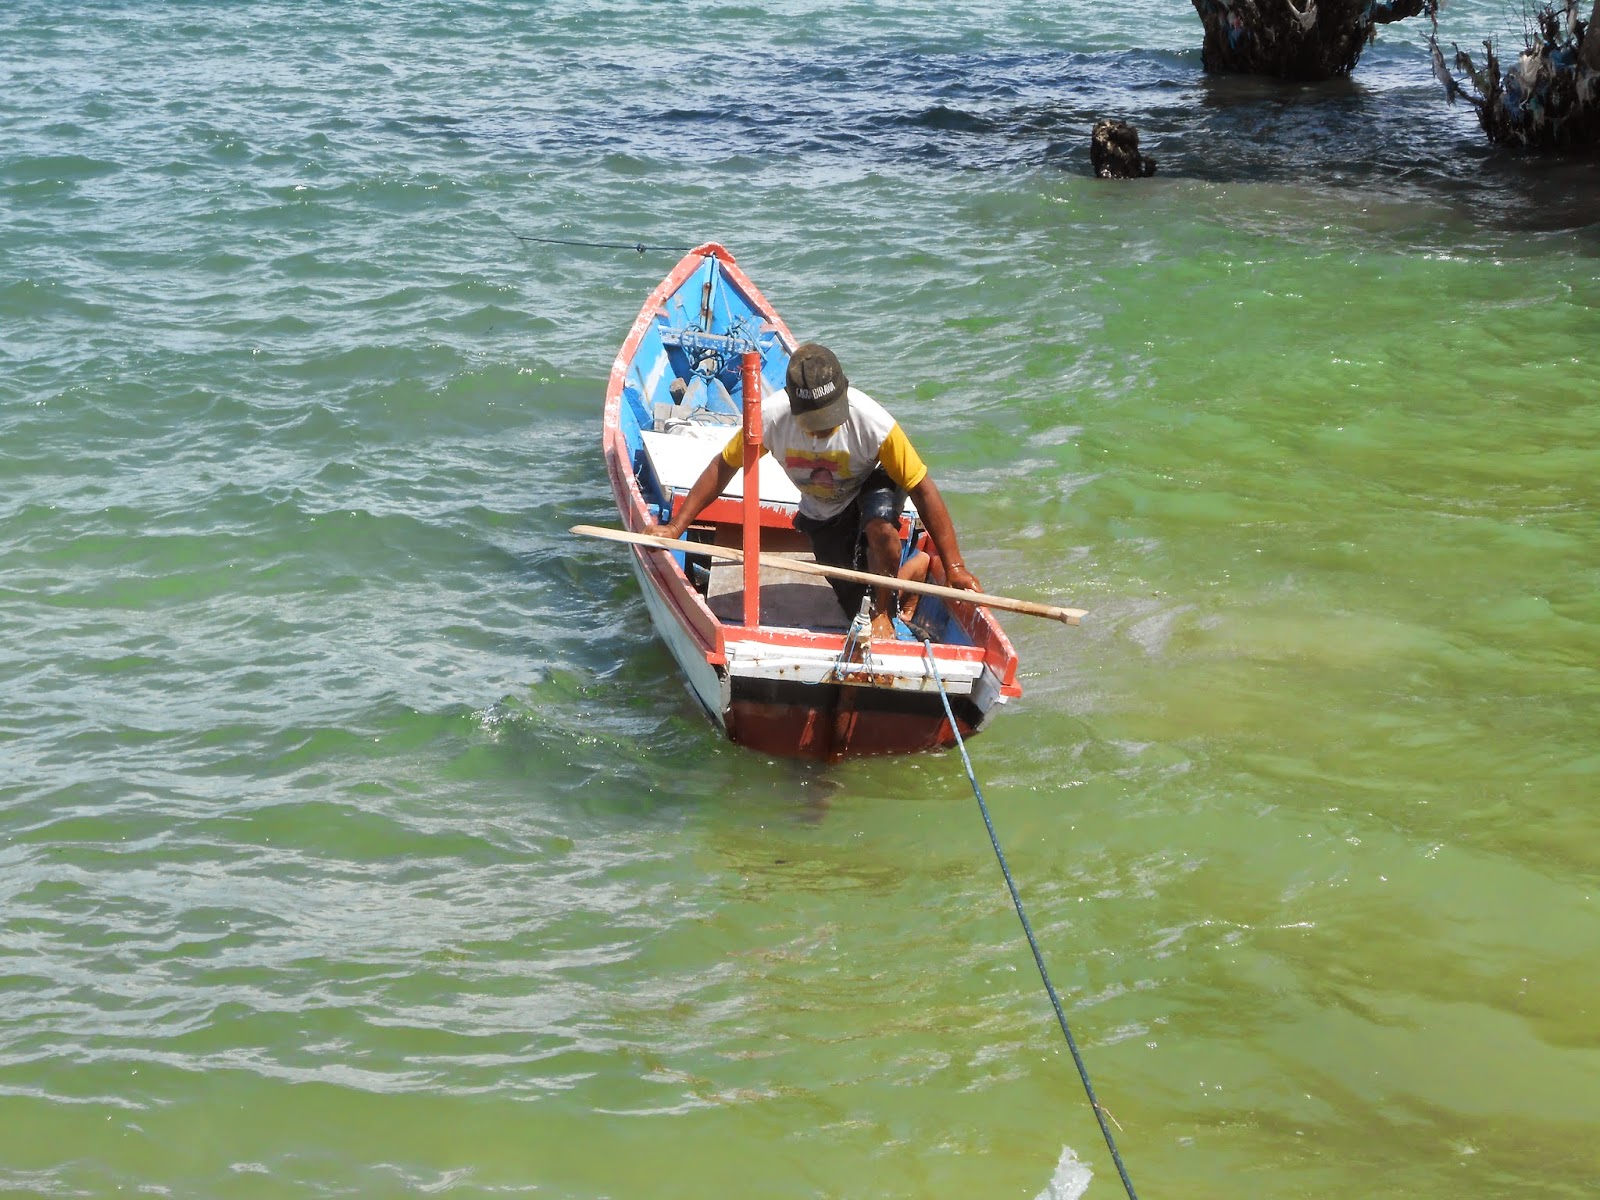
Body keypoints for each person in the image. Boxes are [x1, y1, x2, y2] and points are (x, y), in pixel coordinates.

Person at [653, 342, 981, 640]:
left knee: (880, 528)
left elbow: (923, 489)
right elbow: (722, 467)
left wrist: (954, 567)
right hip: (824, 509)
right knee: (852, 600)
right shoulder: (770, 419)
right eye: (815, 420)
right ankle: (913, 572)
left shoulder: (874, 424)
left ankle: (885, 612)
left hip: (871, 482)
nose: (824, 427)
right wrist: (676, 526)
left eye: (831, 417)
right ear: (794, 408)